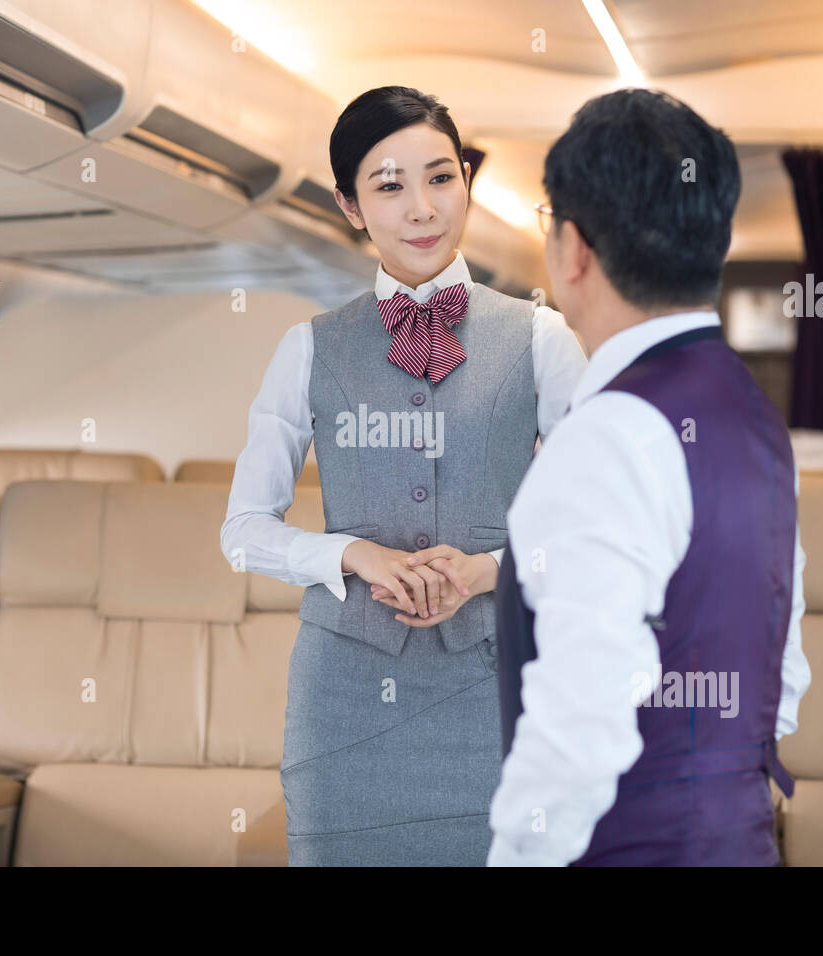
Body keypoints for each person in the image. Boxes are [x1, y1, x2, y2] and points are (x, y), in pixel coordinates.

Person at [220, 86, 587, 865]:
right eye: (389, 185)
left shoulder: (542, 338)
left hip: (495, 688)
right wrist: (352, 555)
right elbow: (243, 530)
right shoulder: (309, 348)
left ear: (465, 183)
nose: (422, 207)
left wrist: (488, 572)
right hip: (345, 697)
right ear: (351, 206)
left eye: (441, 177)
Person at [488, 88, 812, 866]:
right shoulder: (757, 419)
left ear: (573, 250)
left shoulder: (604, 437)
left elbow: (577, 731)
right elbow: (782, 673)